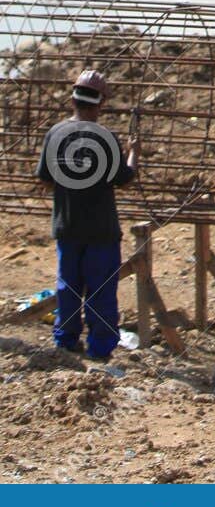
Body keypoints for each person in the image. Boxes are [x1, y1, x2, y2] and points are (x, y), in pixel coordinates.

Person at [36, 69, 138, 362]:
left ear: (73, 99)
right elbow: (125, 179)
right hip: (101, 231)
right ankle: (99, 350)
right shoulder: (106, 138)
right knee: (101, 292)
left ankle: (66, 344)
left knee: (67, 288)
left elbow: (45, 179)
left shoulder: (55, 134)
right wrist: (134, 153)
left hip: (67, 227)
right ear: (101, 102)